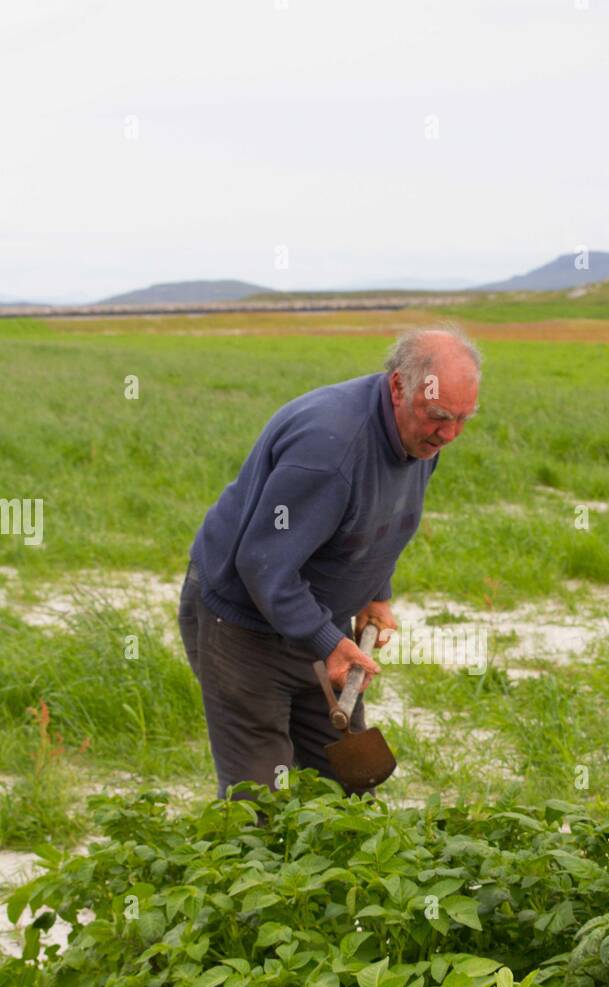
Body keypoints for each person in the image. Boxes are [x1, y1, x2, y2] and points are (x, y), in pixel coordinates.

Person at [178, 324, 481, 799]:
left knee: (347, 793)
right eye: (439, 416)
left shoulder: (421, 438)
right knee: (258, 803)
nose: (450, 434)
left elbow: (383, 522)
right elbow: (262, 563)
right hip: (242, 624)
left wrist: (376, 596)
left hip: (316, 622)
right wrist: (327, 639)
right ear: (399, 385)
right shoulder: (329, 450)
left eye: (464, 418)